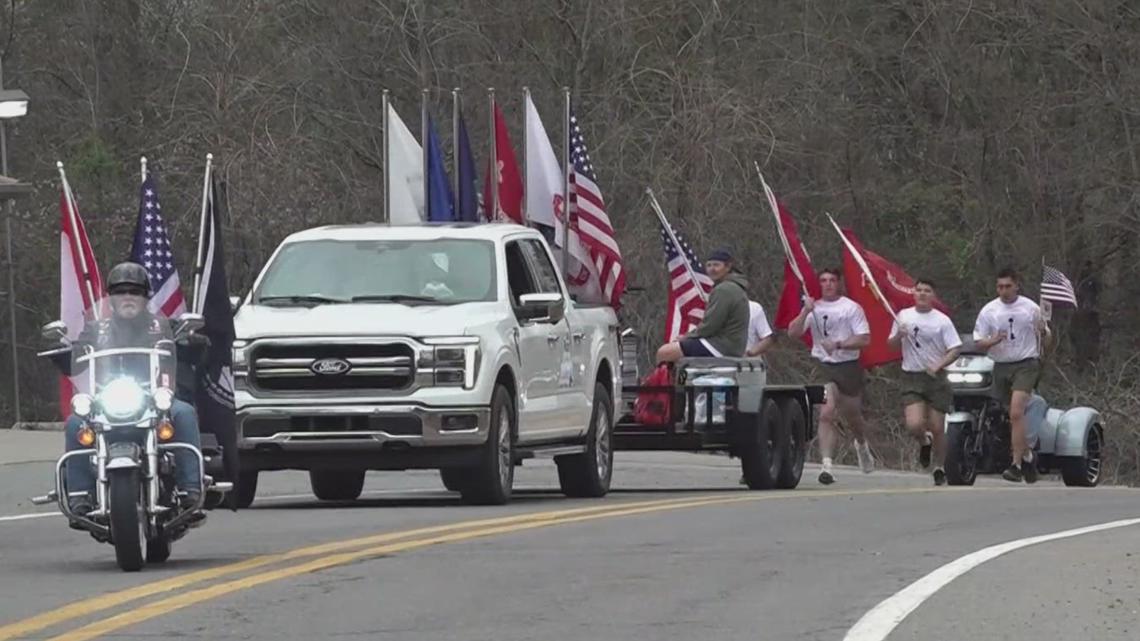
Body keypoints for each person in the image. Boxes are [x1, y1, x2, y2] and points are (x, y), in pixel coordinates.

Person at [49, 262, 205, 517]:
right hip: (108, 399)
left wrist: (193, 342)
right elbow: (77, 356)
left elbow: (189, 347)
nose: (128, 297)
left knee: (184, 412)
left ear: (145, 297)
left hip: (154, 397)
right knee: (76, 423)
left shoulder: (163, 326)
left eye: (135, 291)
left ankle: (191, 489)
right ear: (110, 298)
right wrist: (63, 351)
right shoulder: (97, 330)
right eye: (121, 291)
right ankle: (80, 495)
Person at [787, 268, 874, 484]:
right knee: (826, 412)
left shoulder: (851, 308)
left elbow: (864, 339)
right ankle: (827, 465)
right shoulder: (813, 307)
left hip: (847, 366)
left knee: (853, 416)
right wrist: (805, 312)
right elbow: (792, 333)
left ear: (839, 283)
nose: (827, 284)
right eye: (823, 280)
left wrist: (839, 344)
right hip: (823, 365)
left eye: (832, 280)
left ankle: (861, 444)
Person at [972, 267, 1051, 483]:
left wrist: (1043, 332)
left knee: (1016, 412)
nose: (1003, 291)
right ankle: (1027, 456)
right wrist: (993, 340)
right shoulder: (989, 311)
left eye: (1008, 286)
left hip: (1026, 364)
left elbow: (1046, 341)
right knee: (1011, 416)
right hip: (1001, 365)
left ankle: (1015, 466)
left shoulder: (1030, 309)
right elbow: (979, 342)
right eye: (1000, 286)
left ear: (1017, 285)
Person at [887, 278, 962, 486]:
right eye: (918, 290)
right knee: (914, 424)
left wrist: (938, 365)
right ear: (913, 293)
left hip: (935, 378)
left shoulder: (942, 321)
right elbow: (891, 345)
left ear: (933, 295)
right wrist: (899, 335)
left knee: (938, 426)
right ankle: (923, 441)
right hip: (912, 376)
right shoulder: (904, 317)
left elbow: (955, 349)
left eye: (927, 291)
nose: (922, 294)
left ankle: (939, 467)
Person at [656, 249, 751, 361]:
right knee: (674, 352)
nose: (712, 269)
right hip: (731, 346)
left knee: (665, 352)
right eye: (709, 265)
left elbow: (711, 324)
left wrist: (687, 336)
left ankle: (663, 379)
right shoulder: (733, 287)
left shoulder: (725, 289)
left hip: (722, 346)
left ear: (728, 267)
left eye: (716, 265)